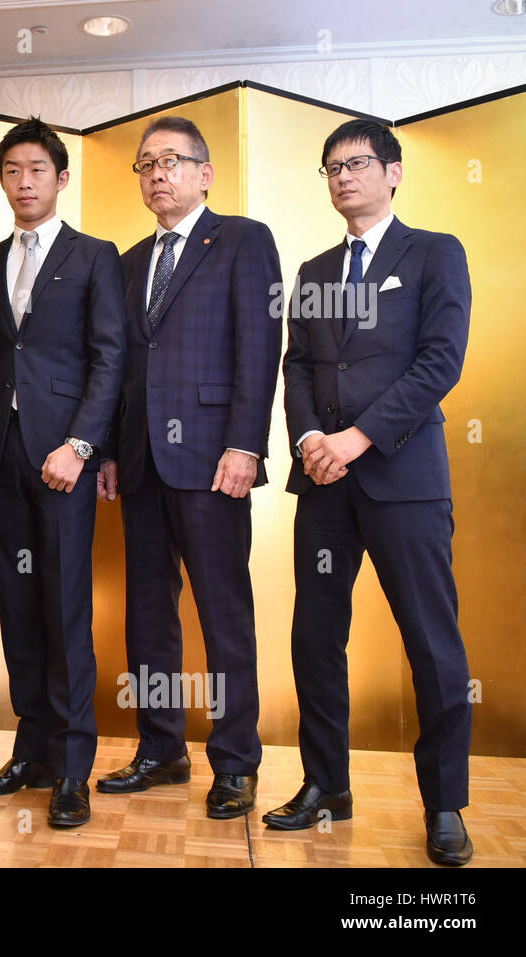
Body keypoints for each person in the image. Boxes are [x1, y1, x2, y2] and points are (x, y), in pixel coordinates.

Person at [266, 119, 474, 866]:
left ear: (392, 172)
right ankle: (327, 783)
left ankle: (445, 802)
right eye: (331, 167)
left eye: (356, 163)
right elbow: (296, 367)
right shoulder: (316, 269)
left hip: (404, 480)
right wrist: (307, 442)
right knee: (315, 636)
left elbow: (440, 360)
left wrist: (358, 437)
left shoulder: (434, 253)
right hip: (324, 485)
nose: (343, 177)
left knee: (432, 642)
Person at [97, 117, 281, 820]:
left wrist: (247, 443)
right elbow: (117, 369)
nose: (156, 173)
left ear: (205, 173)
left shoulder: (242, 239)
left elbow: (259, 348)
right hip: (142, 463)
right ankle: (161, 748)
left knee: (222, 616)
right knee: (149, 617)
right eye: (145, 164)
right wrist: (111, 449)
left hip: (214, 461)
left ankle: (235, 761)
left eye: (171, 160)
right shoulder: (128, 260)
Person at [0, 118, 126, 827]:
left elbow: (109, 357)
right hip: (0, 460)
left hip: (64, 460)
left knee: (65, 612)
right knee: (18, 606)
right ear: (1, 180)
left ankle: (72, 768)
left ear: (62, 179)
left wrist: (82, 444)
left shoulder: (96, 256)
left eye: (37, 169)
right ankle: (29, 750)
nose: (23, 181)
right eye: (11, 170)